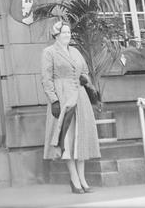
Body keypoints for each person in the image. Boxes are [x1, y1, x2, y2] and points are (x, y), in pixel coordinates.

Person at [41, 20, 100, 194]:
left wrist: (85, 80)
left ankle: (82, 179)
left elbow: (84, 71)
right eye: (64, 33)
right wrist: (54, 100)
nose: (68, 35)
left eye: (69, 32)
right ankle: (74, 179)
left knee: (80, 137)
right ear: (56, 35)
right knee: (66, 138)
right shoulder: (49, 52)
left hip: (80, 97)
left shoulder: (75, 51)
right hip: (63, 96)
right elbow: (46, 78)